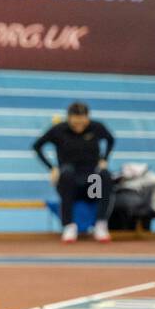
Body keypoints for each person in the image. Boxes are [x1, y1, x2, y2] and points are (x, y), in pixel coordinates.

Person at [32, 102, 116, 243]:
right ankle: (69, 226)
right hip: (70, 185)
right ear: (69, 118)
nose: (79, 125)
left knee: (104, 174)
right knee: (66, 173)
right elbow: (37, 146)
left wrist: (104, 159)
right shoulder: (59, 130)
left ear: (87, 118)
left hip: (91, 188)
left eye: (82, 120)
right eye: (75, 120)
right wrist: (52, 168)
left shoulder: (96, 127)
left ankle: (100, 225)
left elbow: (110, 140)